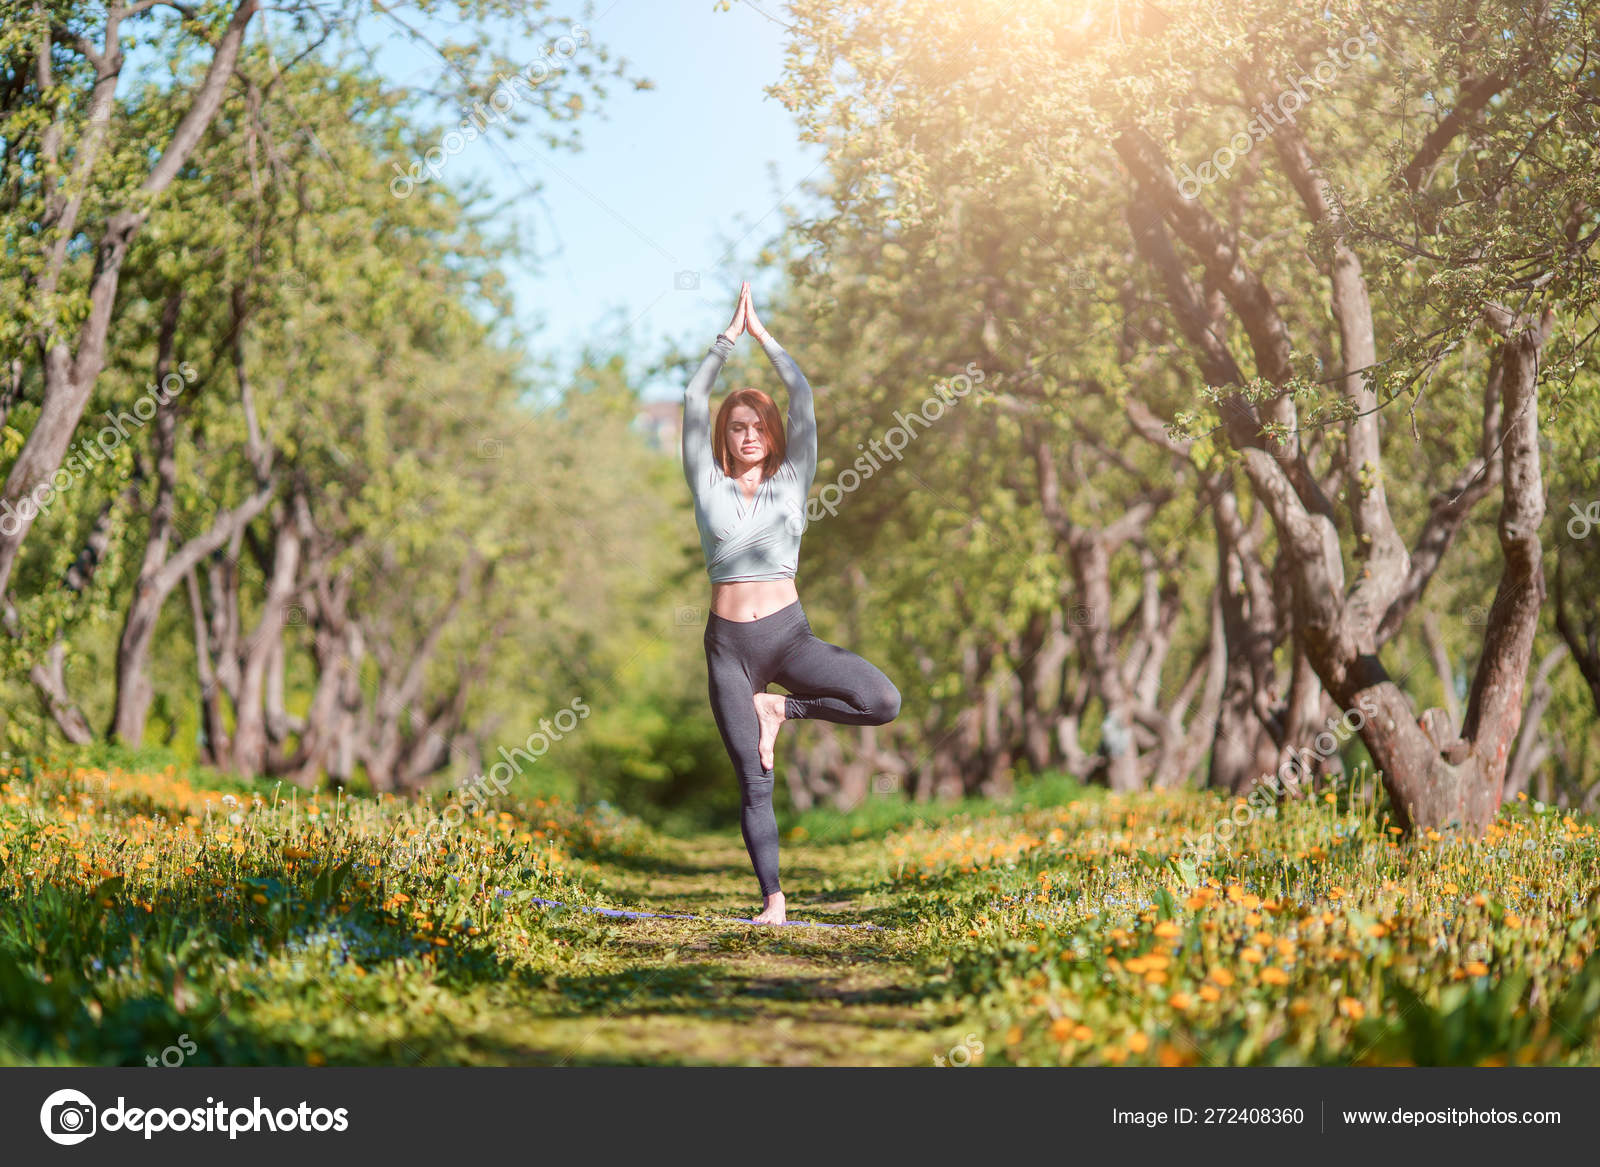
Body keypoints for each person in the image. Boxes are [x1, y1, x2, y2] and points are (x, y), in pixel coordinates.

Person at [682, 281, 901, 925]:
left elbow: (803, 396)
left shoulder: (791, 480)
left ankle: (784, 708)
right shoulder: (707, 481)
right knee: (754, 779)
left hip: (788, 636)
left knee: (882, 701)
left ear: (775, 436)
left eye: (759, 426)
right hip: (729, 650)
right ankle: (774, 901)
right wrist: (727, 341)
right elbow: (695, 397)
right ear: (726, 436)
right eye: (738, 426)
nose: (749, 434)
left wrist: (765, 337)